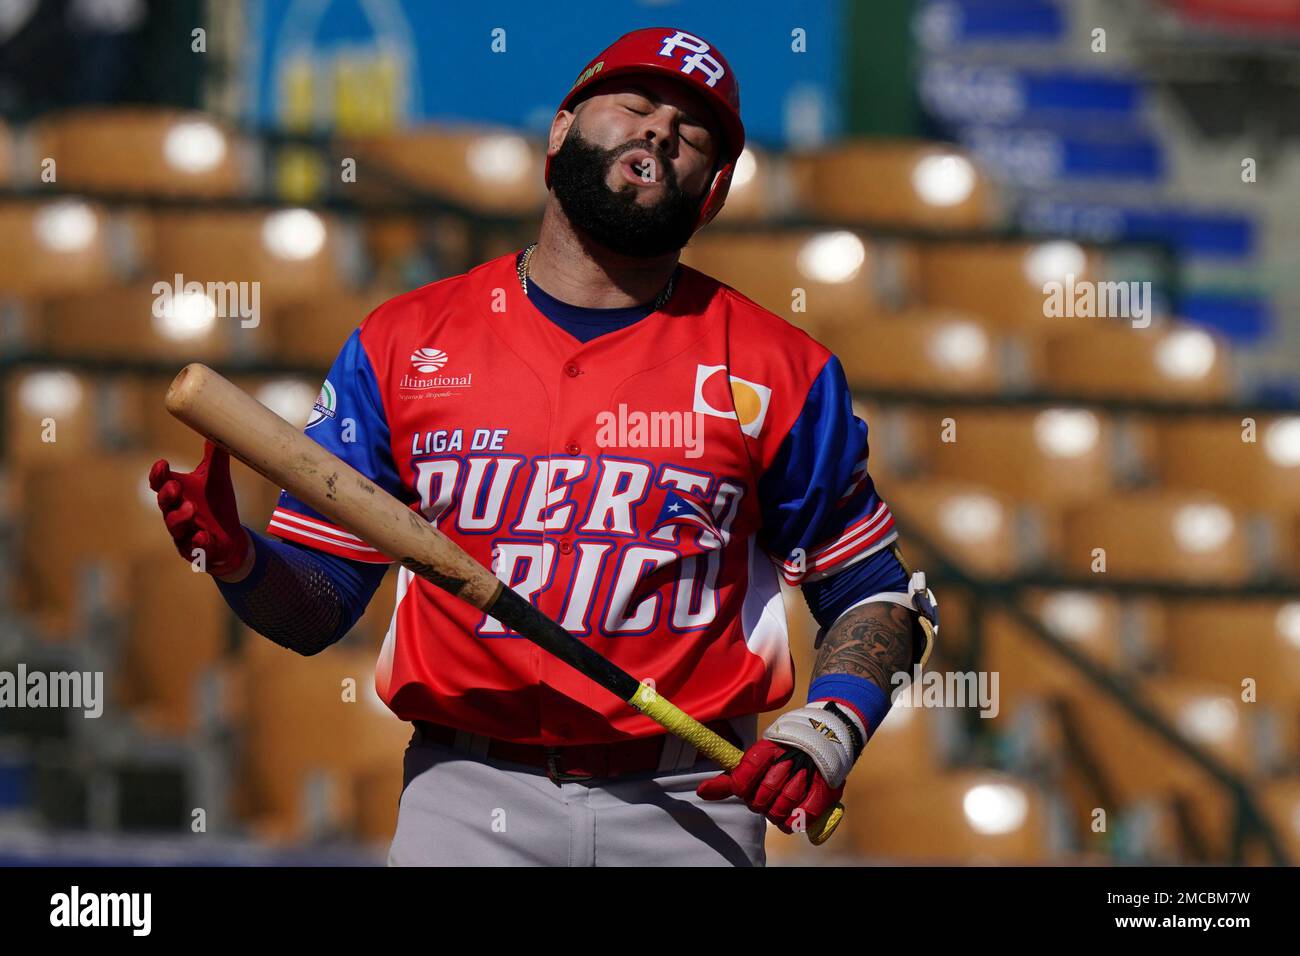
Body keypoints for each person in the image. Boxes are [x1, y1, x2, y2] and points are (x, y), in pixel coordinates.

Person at [149, 26, 937, 867]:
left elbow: (872, 593)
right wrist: (237, 559)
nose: (661, 132)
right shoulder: (404, 340)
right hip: (465, 796)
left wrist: (829, 729)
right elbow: (321, 605)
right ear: (560, 130)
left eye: (693, 132)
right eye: (634, 106)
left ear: (713, 192)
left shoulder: (783, 369)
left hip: (688, 808)